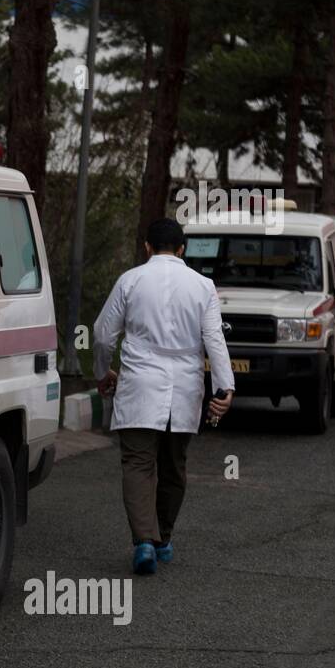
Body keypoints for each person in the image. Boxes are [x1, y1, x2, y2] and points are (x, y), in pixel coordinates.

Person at [93, 217, 235, 575]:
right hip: (185, 387)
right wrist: (225, 387)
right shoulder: (204, 286)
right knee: (174, 466)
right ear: (183, 249)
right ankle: (163, 539)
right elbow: (214, 340)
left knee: (139, 464)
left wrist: (101, 372)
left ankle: (144, 540)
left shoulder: (131, 280)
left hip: (140, 383)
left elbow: (101, 335)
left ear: (147, 247)